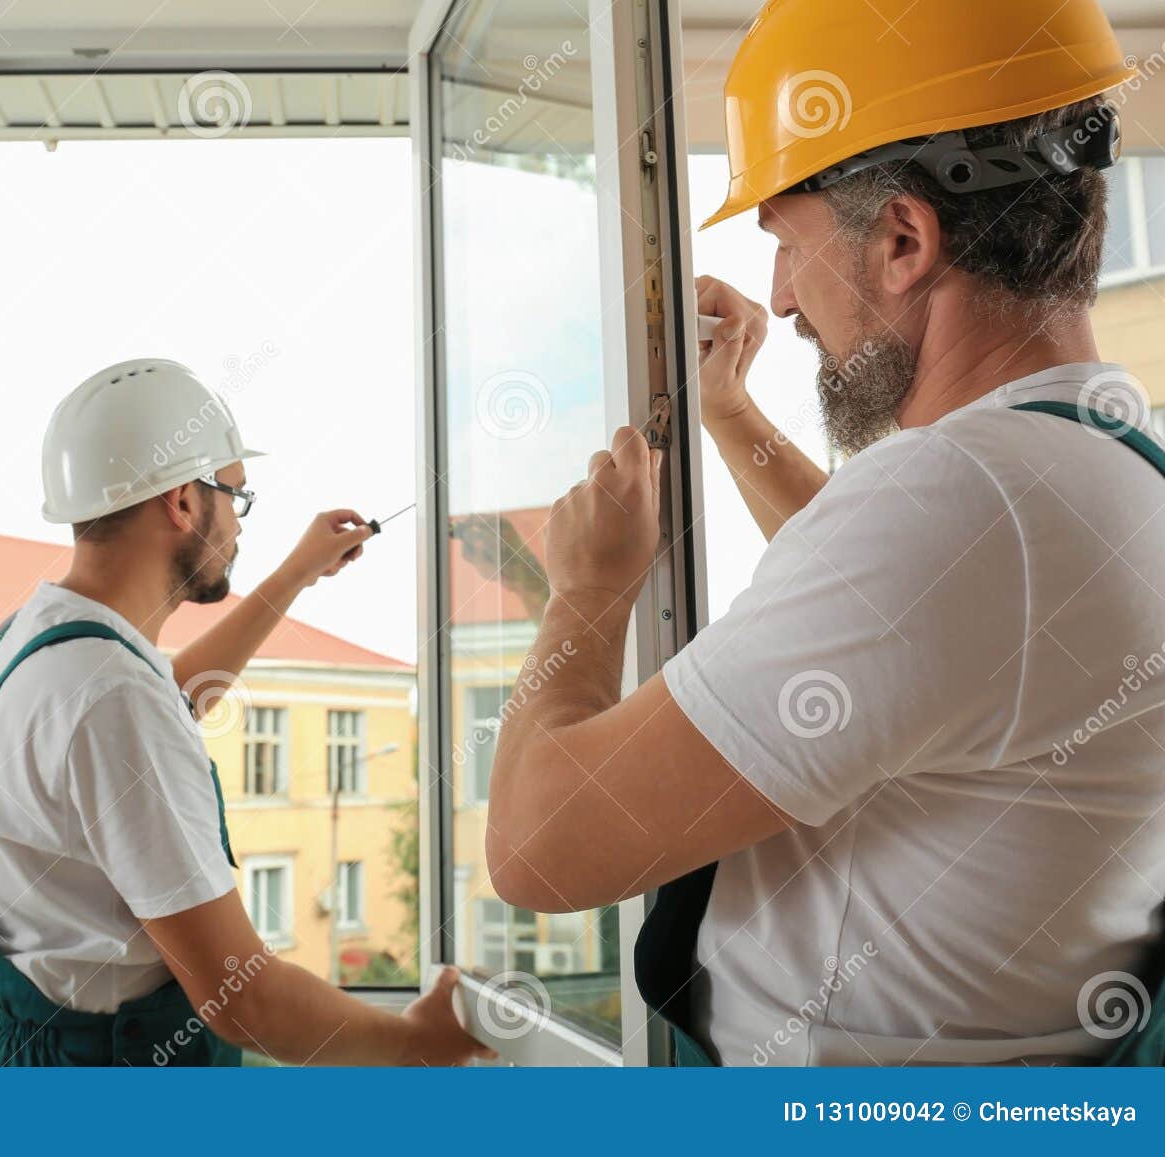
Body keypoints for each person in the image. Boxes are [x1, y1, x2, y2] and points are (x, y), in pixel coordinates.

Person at [485, 0, 1165, 1066]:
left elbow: (538, 847)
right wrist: (732, 416)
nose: (781, 299)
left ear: (903, 237)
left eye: (787, 244)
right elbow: (915, 639)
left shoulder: (959, 504)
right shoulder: (1100, 460)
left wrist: (589, 588)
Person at [0, 357, 492, 1067]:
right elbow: (244, 999)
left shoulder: (42, 634)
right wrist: (416, 1042)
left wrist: (294, 574)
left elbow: (161, 695)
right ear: (181, 501)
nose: (238, 519)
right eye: (236, 495)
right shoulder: (114, 700)